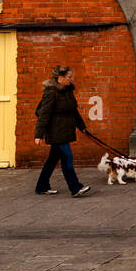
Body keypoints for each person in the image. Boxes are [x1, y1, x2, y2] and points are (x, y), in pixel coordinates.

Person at [33, 65, 91, 197]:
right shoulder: (51, 93)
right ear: (60, 78)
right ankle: (75, 187)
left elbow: (73, 111)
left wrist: (82, 126)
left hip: (65, 130)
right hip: (56, 132)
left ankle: (41, 186)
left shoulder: (67, 91)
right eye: (69, 77)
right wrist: (38, 135)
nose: (71, 79)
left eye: (71, 77)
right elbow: (44, 114)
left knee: (52, 160)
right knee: (67, 158)